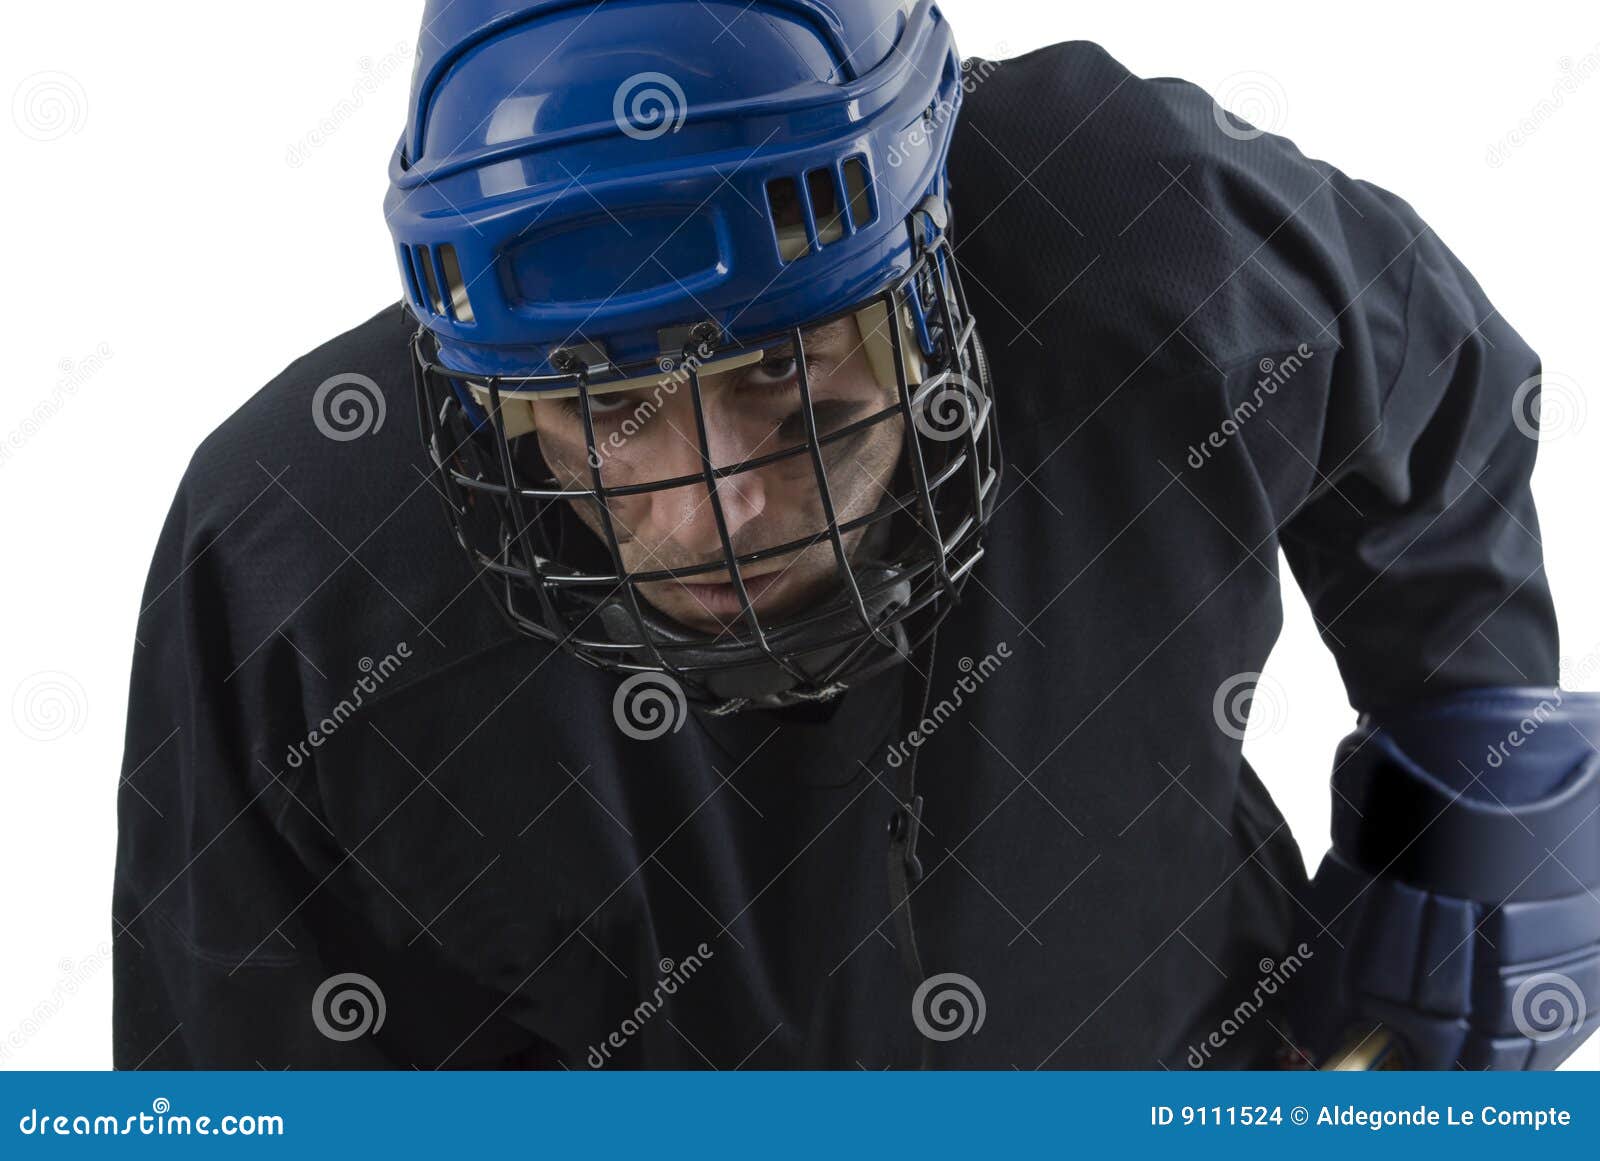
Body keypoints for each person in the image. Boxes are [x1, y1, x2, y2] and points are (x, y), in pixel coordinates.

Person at [114, 0, 1599, 1069]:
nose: (719, 511)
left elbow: (1430, 383)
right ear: (480, 382)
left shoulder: (1137, 234)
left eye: (782, 375)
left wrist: (1480, 807)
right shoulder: (295, 572)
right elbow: (244, 1075)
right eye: (606, 410)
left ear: (935, 250)